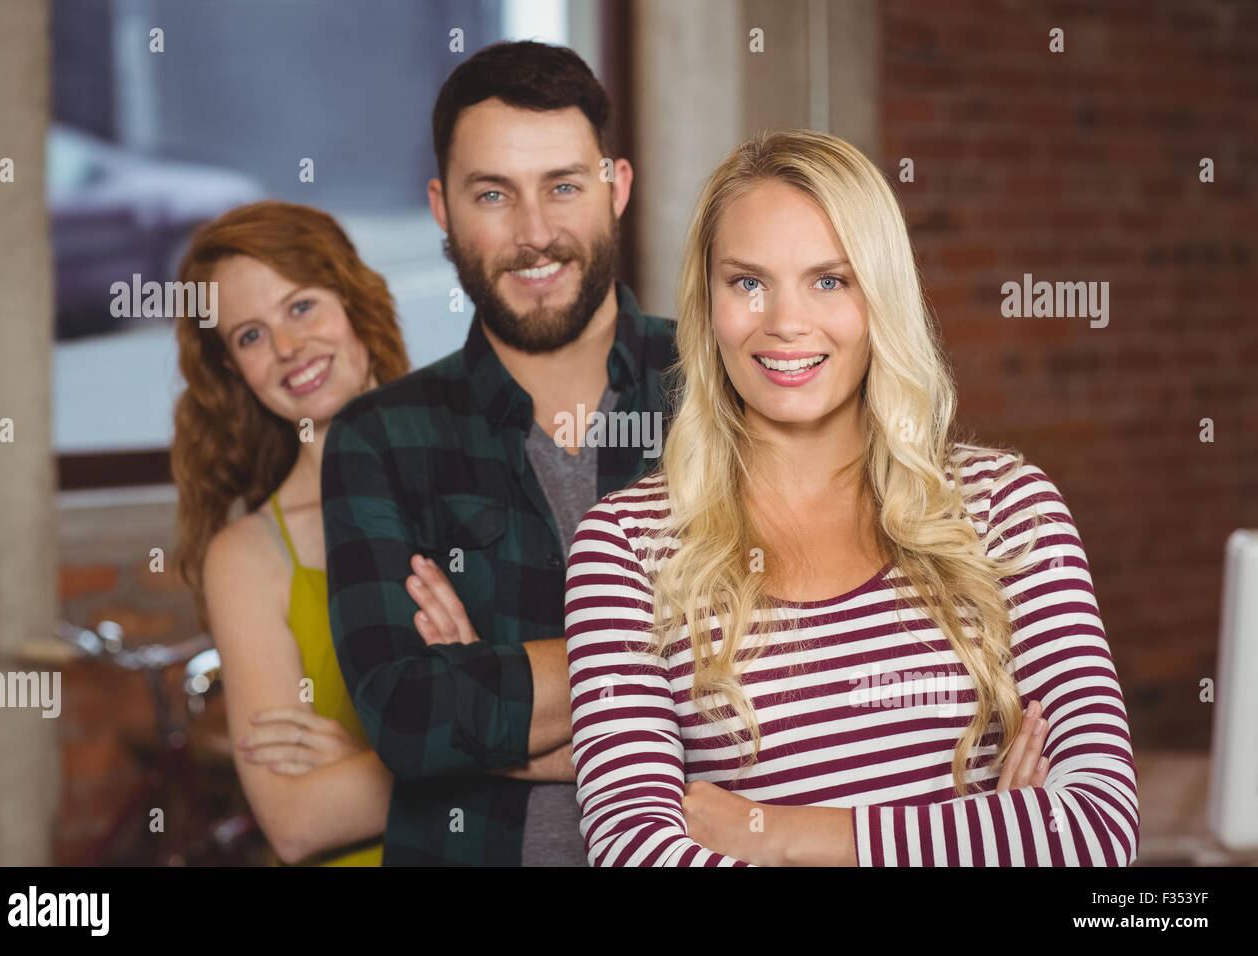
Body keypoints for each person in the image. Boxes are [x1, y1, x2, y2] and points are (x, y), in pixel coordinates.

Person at [564, 130, 1140, 866]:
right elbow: (634, 850)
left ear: (880, 296)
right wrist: (984, 837)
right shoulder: (624, 548)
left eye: (829, 280)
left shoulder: (1010, 509)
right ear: (707, 304)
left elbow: (1094, 832)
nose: (785, 322)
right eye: (747, 282)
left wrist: (775, 835)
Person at [321, 41, 678, 866]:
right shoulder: (382, 437)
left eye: (564, 185)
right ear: (443, 209)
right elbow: (411, 720)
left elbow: (803, 673)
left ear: (616, 188)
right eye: (494, 194)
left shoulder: (721, 391)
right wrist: (676, 656)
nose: (536, 235)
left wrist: (489, 695)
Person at [171, 200, 412, 865]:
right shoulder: (246, 556)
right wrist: (476, 768)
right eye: (249, 335)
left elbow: (584, 738)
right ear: (232, 373)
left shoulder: (476, 471)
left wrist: (367, 768)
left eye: (301, 306)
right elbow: (297, 820)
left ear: (355, 303)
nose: (285, 348)